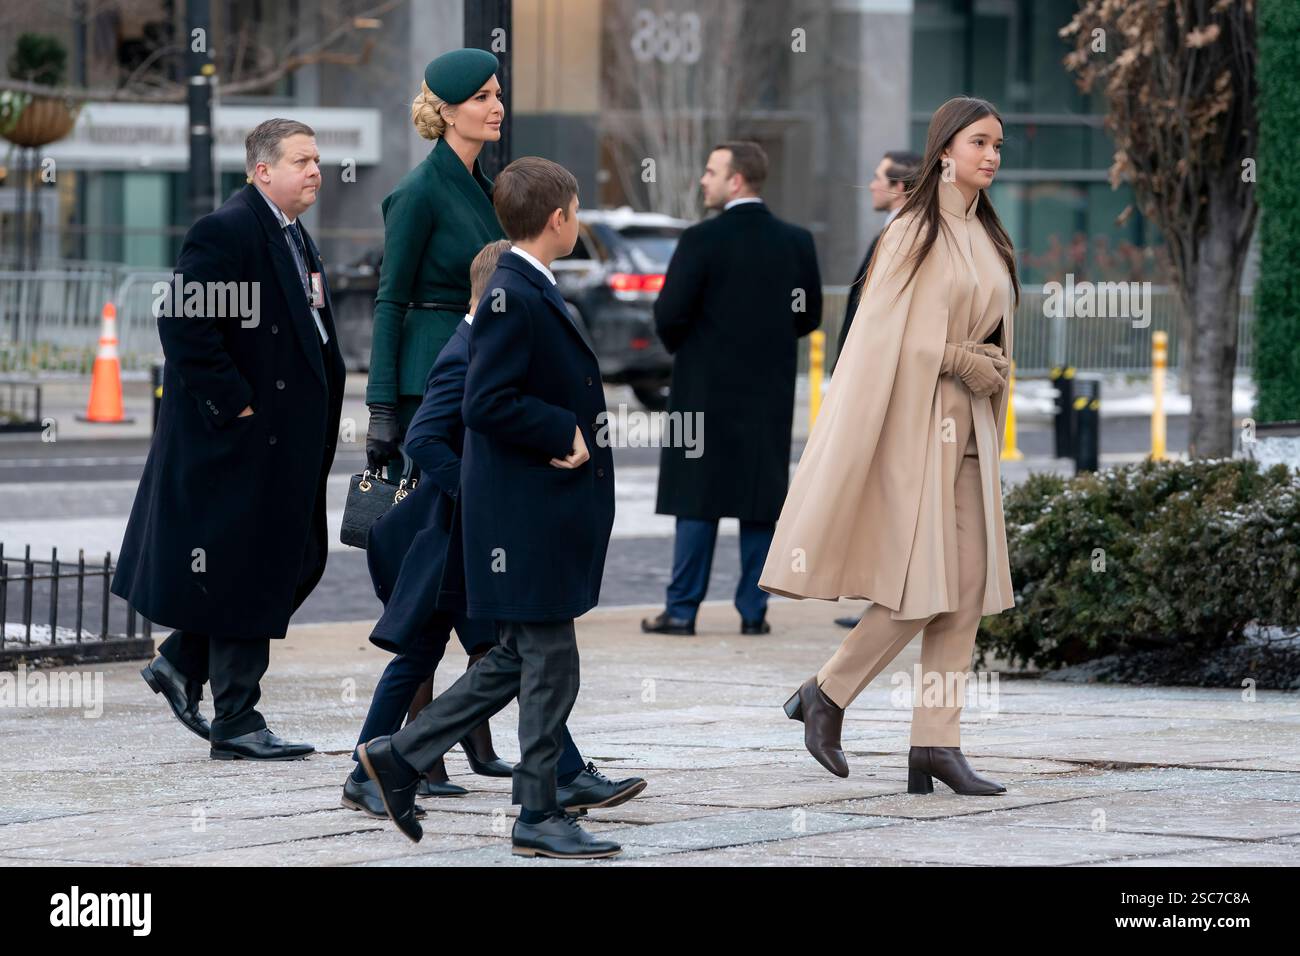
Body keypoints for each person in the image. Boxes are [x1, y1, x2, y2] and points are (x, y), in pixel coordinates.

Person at [358, 157, 629, 860]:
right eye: (575, 208)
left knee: (516, 660)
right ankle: (536, 812)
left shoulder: (522, 285)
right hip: (524, 517)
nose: (577, 218)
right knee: (549, 664)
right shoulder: (514, 291)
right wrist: (558, 429)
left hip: (529, 516)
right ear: (558, 218)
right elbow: (486, 401)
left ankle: (398, 758)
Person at [759, 97, 1018, 795]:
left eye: (998, 145)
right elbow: (877, 336)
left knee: (964, 593)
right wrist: (959, 358)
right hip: (915, 432)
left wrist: (990, 364)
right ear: (943, 152)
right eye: (979, 143)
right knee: (921, 586)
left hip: (970, 433)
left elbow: (991, 329)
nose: (991, 156)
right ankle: (829, 691)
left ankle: (935, 743)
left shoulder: (989, 238)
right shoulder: (913, 231)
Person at [114, 118, 345, 760]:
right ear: (262, 171)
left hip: (286, 444)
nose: (316, 171)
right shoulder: (229, 228)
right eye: (303, 161)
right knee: (253, 573)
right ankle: (237, 722)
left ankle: (182, 662)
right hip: (240, 445)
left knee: (293, 563)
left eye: (319, 160)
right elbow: (184, 324)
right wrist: (235, 403)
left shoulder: (293, 234)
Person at [364, 48, 511, 778]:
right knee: (438, 554)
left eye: (497, 93)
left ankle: (449, 736)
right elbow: (389, 301)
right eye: (480, 96)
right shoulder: (421, 191)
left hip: (470, 369)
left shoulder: (486, 184)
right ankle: (422, 741)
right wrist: (381, 406)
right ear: (446, 110)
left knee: (453, 557)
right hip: (430, 381)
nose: (495, 104)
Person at [641, 141, 822, 637]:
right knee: (760, 501)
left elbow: (668, 314)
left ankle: (681, 611)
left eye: (711, 171)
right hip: (768, 393)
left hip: (702, 391)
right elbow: (807, 316)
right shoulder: (797, 242)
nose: (703, 180)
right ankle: (753, 612)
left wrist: (693, 346)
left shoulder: (700, 239)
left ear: (736, 180)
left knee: (695, 500)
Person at [833, 150, 921, 629]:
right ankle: (880, 596)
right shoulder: (896, 229)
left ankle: (888, 598)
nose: (870, 184)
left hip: (883, 387)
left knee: (889, 493)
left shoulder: (906, 233)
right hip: (872, 381)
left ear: (901, 187)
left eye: (878, 178)